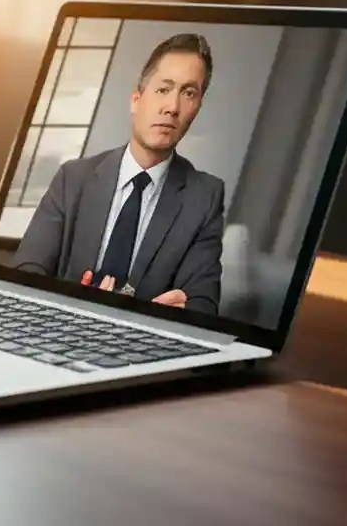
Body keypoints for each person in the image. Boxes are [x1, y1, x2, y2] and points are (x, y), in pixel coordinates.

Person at [12, 33, 224, 315]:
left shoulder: (205, 196)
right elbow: (27, 272)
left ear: (196, 108)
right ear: (136, 100)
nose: (172, 107)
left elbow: (203, 302)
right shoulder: (73, 178)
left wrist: (176, 312)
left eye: (189, 93)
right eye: (163, 89)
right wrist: (75, 302)